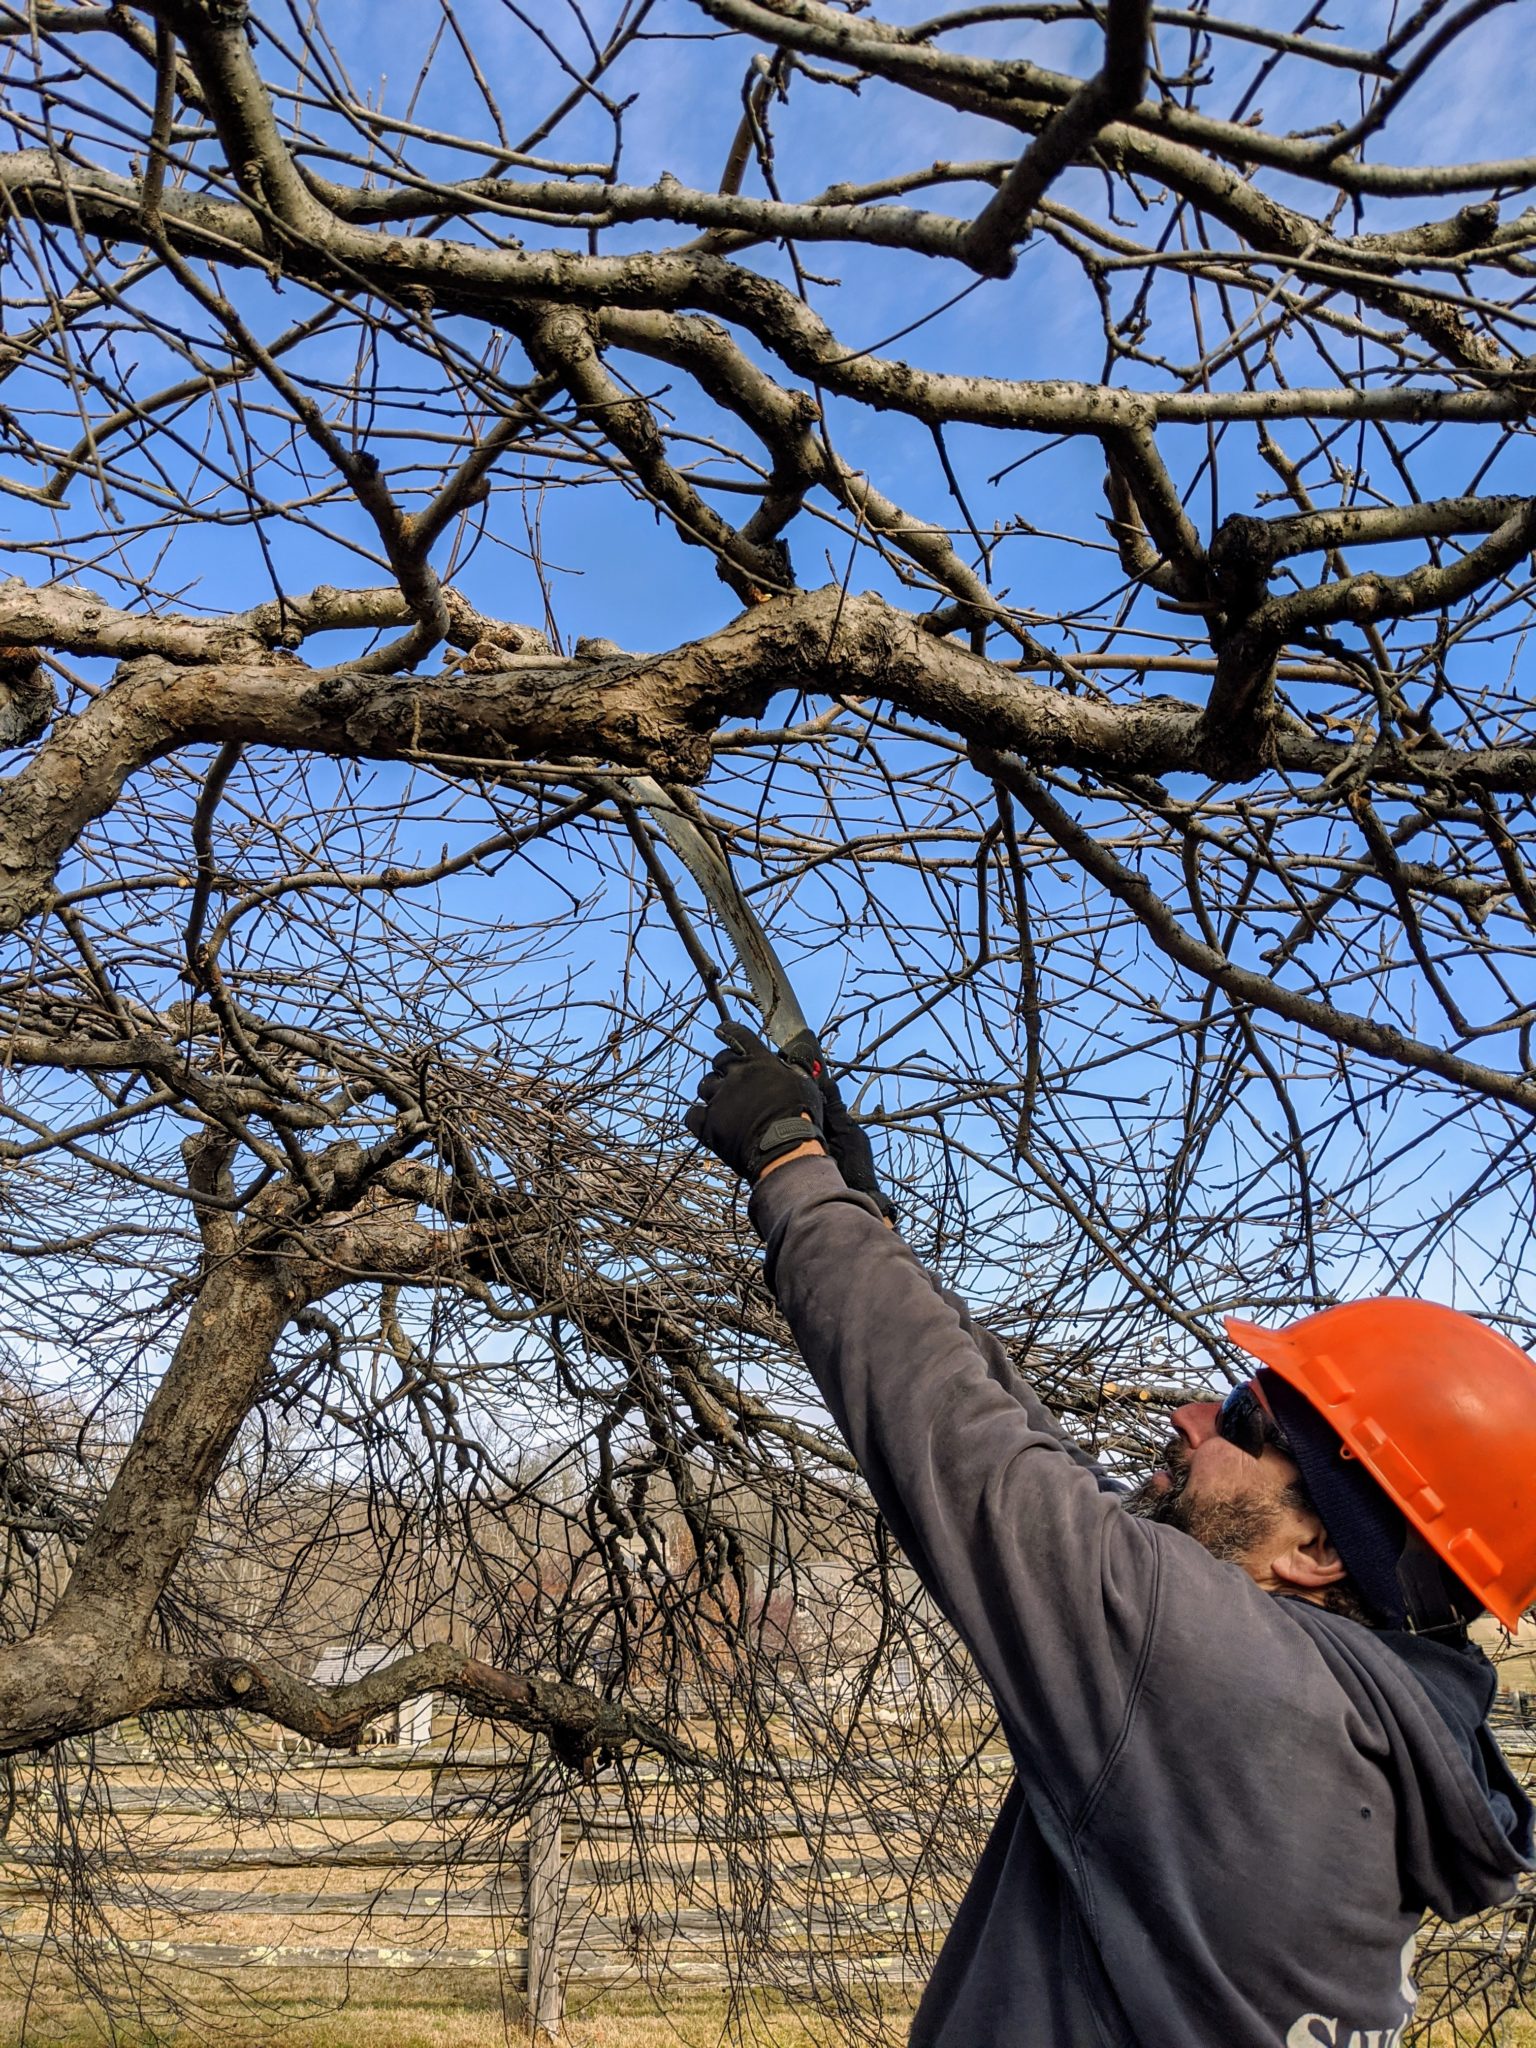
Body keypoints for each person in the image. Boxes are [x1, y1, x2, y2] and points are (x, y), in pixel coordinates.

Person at [685, 1025, 1536, 2048]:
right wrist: (866, 1219)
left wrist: (790, 1163)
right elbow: (1040, 1470)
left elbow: (964, 1448)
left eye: (1242, 1422)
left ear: (1319, 1547)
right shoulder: (1378, 1729)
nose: (1188, 1414)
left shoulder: (1231, 1682)